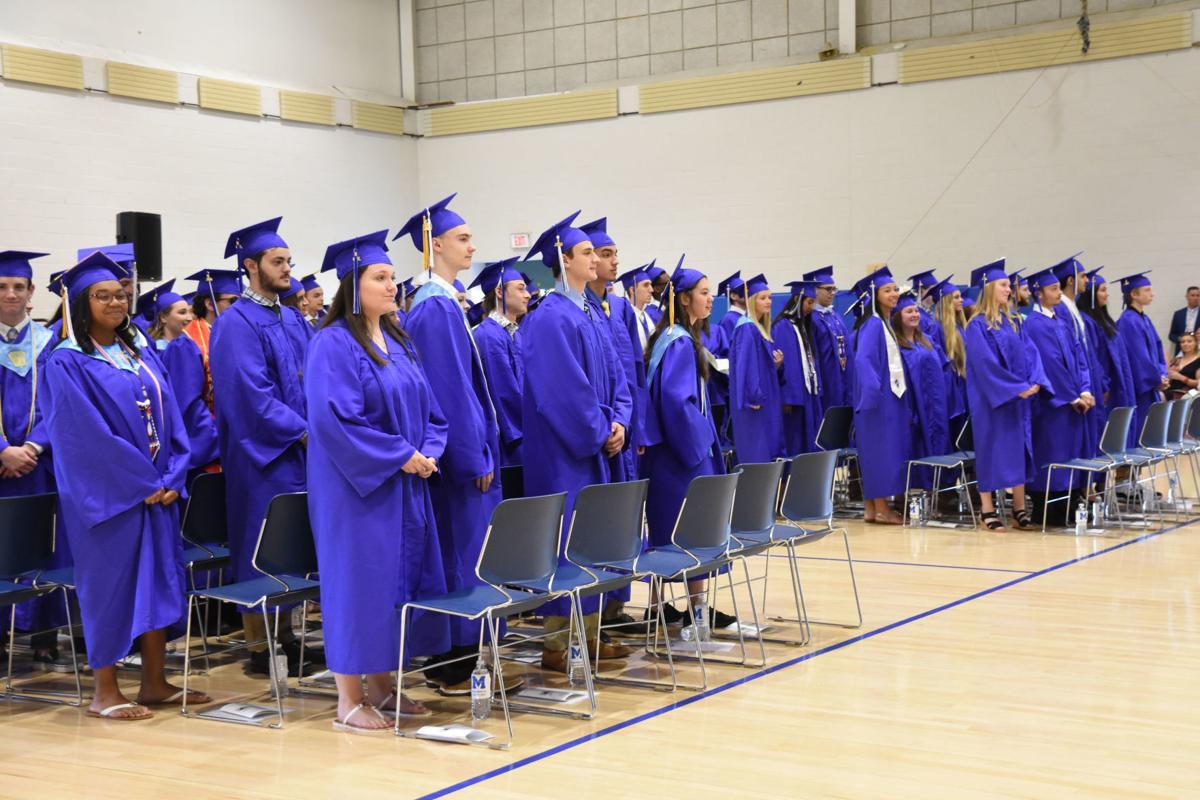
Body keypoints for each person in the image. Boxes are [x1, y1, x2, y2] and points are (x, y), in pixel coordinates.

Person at [44, 251, 206, 720]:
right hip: (109, 497)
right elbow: (83, 435)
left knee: (158, 581)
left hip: (157, 492)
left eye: (120, 294)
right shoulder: (66, 361)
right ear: (79, 303)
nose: (115, 302)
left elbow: (172, 415)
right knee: (109, 587)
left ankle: (154, 682)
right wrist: (141, 482)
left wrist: (173, 475)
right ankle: (105, 691)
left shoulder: (136, 351)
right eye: (102, 296)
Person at [305, 230, 450, 730]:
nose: (392, 287)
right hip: (356, 489)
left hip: (404, 482)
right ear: (354, 284)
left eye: (392, 278)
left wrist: (428, 452)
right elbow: (334, 419)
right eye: (380, 278)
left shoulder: (399, 340)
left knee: (394, 583)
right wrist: (399, 454)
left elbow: (432, 411)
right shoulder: (333, 343)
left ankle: (385, 688)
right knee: (357, 584)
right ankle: (349, 700)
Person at [394, 194, 505, 693]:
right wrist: (472, 454)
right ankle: (456, 664)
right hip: (459, 461)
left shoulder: (447, 303)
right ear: (433, 245)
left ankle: (468, 656)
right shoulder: (435, 307)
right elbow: (450, 390)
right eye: (462, 239)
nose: (471, 246)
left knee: (471, 553)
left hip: (467, 451)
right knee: (462, 554)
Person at [519, 212, 633, 672]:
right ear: (564, 261)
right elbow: (562, 389)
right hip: (564, 452)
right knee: (565, 539)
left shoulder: (590, 310)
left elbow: (619, 373)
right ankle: (556, 645)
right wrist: (599, 429)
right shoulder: (549, 317)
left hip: (598, 446)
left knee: (591, 540)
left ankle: (589, 636)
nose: (596, 259)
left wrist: (621, 419)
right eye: (586, 253)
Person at [210, 217, 316, 677]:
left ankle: (290, 637)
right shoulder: (236, 324)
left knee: (294, 544)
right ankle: (261, 646)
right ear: (251, 266)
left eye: (289, 261)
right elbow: (249, 395)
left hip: (302, 450)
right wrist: (302, 430)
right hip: (263, 454)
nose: (287, 269)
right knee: (261, 541)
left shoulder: (292, 318)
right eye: (278, 262)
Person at [641, 261, 735, 629]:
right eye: (703, 293)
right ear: (683, 299)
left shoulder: (680, 338)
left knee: (677, 532)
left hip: (677, 453)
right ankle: (690, 609)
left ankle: (691, 607)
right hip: (682, 456)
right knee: (683, 533)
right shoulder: (679, 342)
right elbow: (677, 402)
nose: (711, 299)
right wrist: (701, 445)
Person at [0, 251, 65, 667]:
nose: (10, 294)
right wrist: (2, 450)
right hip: (1, 467)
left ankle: (43, 634)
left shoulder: (50, 343)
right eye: (2, 287)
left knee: (45, 545)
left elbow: (60, 406)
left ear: (31, 293)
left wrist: (33, 447)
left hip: (40, 466)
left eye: (18, 287)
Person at [962, 259, 1044, 531]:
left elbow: (1032, 354)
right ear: (988, 288)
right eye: (1004, 285)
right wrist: (1015, 388)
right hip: (991, 401)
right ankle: (987, 509)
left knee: (1019, 449)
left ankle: (1018, 508)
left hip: (1018, 399)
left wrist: (1034, 381)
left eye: (1010, 285)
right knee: (991, 450)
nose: (1010, 290)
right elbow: (985, 365)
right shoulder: (976, 325)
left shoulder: (1013, 322)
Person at [1021, 267, 1095, 525]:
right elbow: (1050, 365)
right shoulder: (1033, 325)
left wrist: (1085, 390)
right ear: (1038, 294)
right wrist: (1072, 397)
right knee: (1053, 456)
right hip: (1052, 406)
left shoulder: (1060, 321)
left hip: (1074, 403)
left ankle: (1069, 508)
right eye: (1052, 289)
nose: (1057, 293)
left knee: (1070, 456)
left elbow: (1080, 358)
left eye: (1057, 288)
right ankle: (1049, 513)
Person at [580, 218, 644, 486]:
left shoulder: (621, 307)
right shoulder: (578, 311)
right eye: (606, 255)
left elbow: (637, 368)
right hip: (600, 424)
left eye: (615, 254)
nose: (614, 261)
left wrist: (638, 426)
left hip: (626, 418)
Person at [166, 268, 241, 477]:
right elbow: (188, 405)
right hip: (211, 450)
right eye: (233, 301)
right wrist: (222, 438)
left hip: (238, 443)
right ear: (210, 304)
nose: (240, 308)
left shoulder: (232, 336)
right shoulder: (186, 344)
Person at [849, 266, 910, 524]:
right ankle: (882, 509)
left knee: (876, 453)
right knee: (880, 453)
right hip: (877, 401)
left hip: (881, 399)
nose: (894, 294)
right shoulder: (874, 324)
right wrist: (873, 392)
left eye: (895, 289)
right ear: (875, 294)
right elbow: (863, 360)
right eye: (888, 290)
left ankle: (872, 509)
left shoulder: (882, 323)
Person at [469, 258, 529, 469]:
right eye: (520, 289)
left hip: (527, 434)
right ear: (500, 292)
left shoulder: (515, 332)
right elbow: (504, 393)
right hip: (512, 444)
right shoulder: (489, 335)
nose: (528, 294)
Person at [891, 291, 950, 490]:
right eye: (909, 311)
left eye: (916, 311)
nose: (915, 314)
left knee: (938, 444)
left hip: (936, 406)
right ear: (898, 316)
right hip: (914, 408)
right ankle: (915, 495)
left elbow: (944, 368)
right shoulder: (896, 346)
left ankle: (939, 492)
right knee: (917, 447)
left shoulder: (927, 340)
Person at [729, 273, 784, 465]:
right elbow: (746, 365)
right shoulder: (747, 328)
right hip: (754, 404)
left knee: (769, 454)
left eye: (769, 297)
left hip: (765, 400)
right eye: (763, 297)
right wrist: (752, 395)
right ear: (752, 301)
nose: (768, 301)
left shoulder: (761, 329)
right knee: (757, 455)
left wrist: (776, 365)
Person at [1077, 267, 1137, 442]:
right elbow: (1095, 358)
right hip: (1107, 388)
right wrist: (1103, 385)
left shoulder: (1106, 320)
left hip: (1118, 383)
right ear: (1091, 294)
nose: (1106, 295)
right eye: (1103, 290)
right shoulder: (1087, 322)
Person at [1051, 254, 1102, 455]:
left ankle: (1089, 485)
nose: (1087, 280)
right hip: (1076, 388)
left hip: (1085, 384)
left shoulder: (1073, 308)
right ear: (1070, 280)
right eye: (1082, 276)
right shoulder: (1062, 309)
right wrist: (1079, 391)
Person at [1116, 272, 1169, 445]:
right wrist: (1155, 379)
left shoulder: (1144, 319)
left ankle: (1137, 471)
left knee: (1147, 434)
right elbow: (1139, 357)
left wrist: (1162, 374)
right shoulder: (1128, 321)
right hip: (1140, 387)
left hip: (1151, 384)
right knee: (1137, 432)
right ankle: (1129, 471)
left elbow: (1158, 349)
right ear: (1133, 294)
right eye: (1146, 290)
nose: (1151, 294)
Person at [773, 281, 822, 456]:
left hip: (807, 394)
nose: (812, 307)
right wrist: (788, 397)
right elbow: (787, 364)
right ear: (797, 300)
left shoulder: (802, 326)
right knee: (795, 442)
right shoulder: (782, 326)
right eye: (809, 302)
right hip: (794, 400)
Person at [805, 266, 852, 410]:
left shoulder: (835, 316)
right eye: (828, 289)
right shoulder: (811, 319)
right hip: (826, 377)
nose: (832, 293)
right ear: (815, 290)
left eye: (834, 289)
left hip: (843, 374)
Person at [930, 276, 968, 435]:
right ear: (946, 301)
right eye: (956, 297)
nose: (961, 300)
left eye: (961, 297)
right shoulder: (936, 328)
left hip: (964, 384)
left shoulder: (961, 326)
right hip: (951, 388)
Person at [141, 281, 193, 352]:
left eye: (190, 312)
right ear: (163, 318)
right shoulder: (157, 351)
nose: (190, 318)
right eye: (182, 312)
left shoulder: (188, 344)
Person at [619, 266, 654, 353]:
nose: (651, 290)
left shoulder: (647, 316)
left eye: (651, 285)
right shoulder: (624, 318)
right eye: (646, 285)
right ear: (632, 290)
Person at [716, 270, 747, 344]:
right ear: (733, 296)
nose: (749, 294)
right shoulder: (729, 319)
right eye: (744, 291)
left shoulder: (744, 317)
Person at [1167, 285, 1200, 354]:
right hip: (1181, 351)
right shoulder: (1178, 314)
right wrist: (1181, 339)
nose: (1196, 298)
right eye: (1193, 295)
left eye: (1198, 295)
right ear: (1187, 297)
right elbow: (1171, 335)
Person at [1168, 333, 1200, 399]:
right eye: (1183, 342)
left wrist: (1180, 377)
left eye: (1189, 341)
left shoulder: (1198, 361)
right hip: (1171, 390)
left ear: (1196, 343)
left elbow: (1198, 383)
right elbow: (1169, 380)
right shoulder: (1176, 360)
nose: (1185, 344)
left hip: (1187, 393)